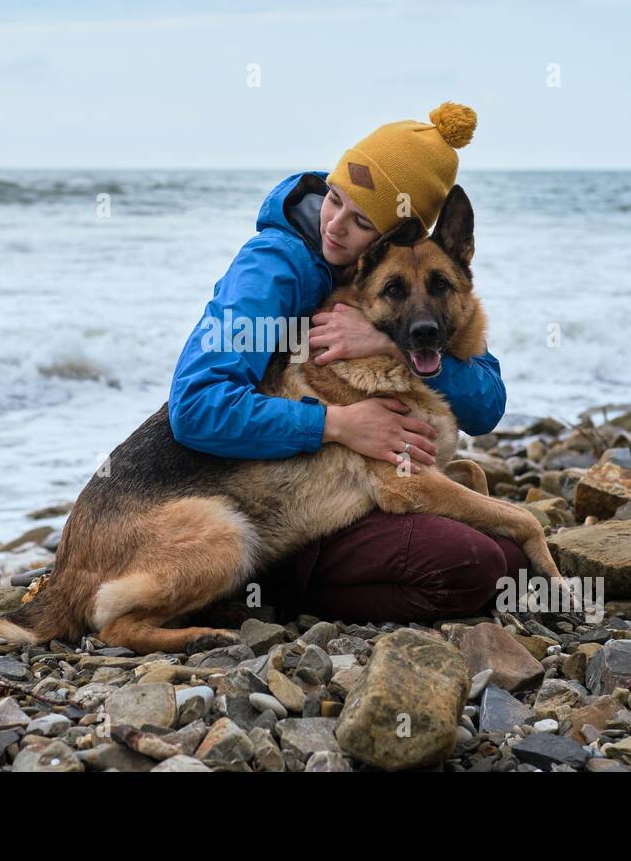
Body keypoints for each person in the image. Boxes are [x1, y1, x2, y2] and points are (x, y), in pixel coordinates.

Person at [167, 102, 526, 624]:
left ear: (390, 239)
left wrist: (388, 342)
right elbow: (196, 408)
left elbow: (486, 407)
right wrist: (339, 423)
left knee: (510, 566)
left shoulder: (399, 282)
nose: (333, 225)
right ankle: (278, 603)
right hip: (273, 507)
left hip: (352, 492)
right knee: (475, 567)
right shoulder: (271, 271)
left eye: (361, 221)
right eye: (334, 198)